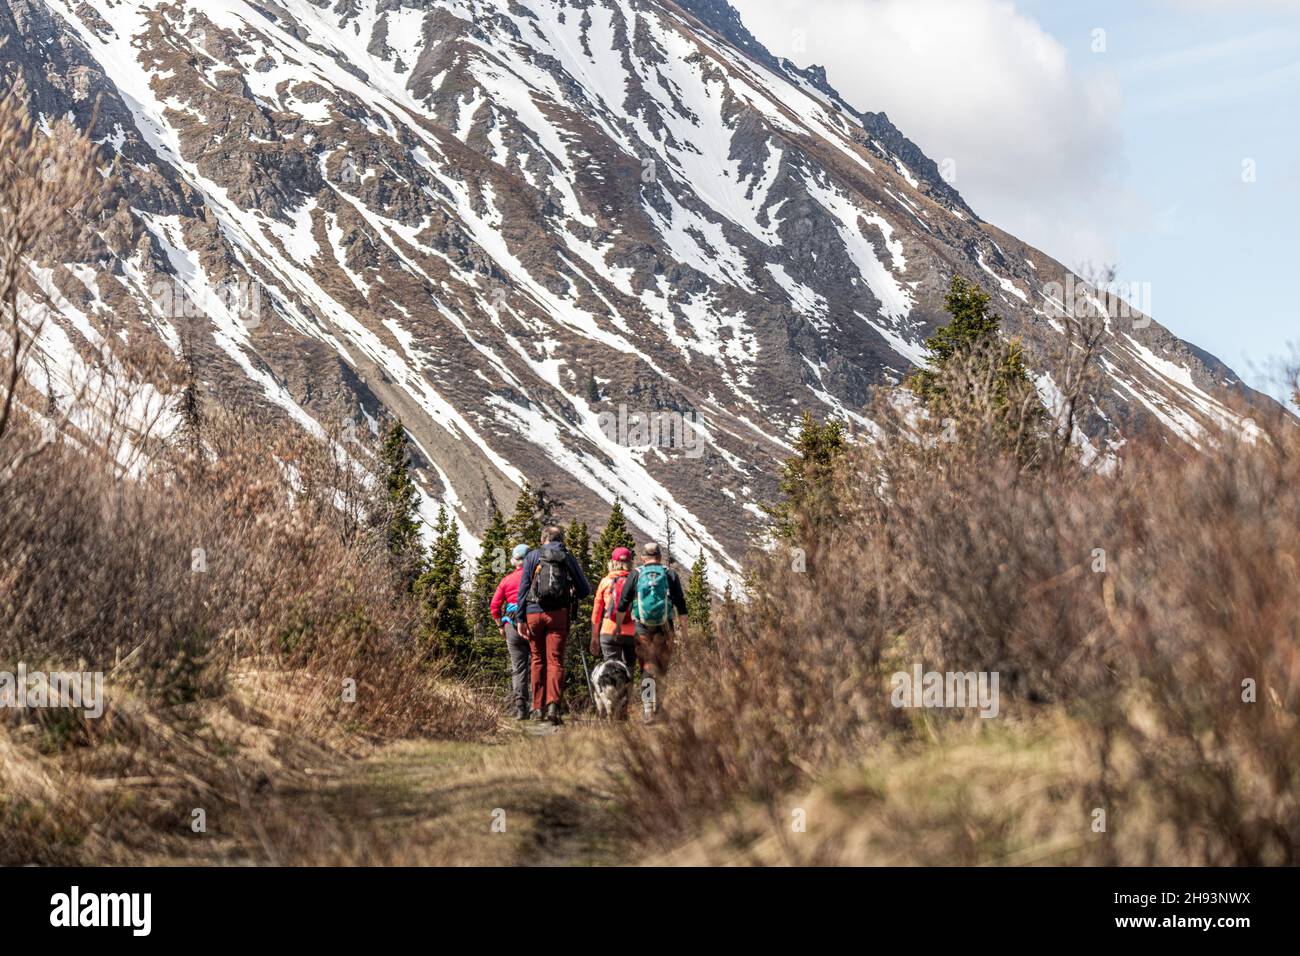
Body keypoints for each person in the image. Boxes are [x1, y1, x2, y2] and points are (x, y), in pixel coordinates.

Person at [517, 526, 591, 725]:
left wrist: (520, 618)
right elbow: (584, 590)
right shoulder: (566, 556)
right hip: (558, 614)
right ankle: (553, 706)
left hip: (533, 613)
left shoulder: (532, 556)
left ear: (543, 539)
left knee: (537, 659)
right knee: (555, 660)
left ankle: (537, 708)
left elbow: (523, 588)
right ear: (561, 540)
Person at [615, 541, 688, 721]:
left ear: (642, 557)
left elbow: (623, 602)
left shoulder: (636, 574)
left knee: (647, 666)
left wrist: (617, 626)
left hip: (641, 625)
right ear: (659, 557)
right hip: (665, 626)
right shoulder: (669, 574)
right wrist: (684, 632)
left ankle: (647, 710)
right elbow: (681, 604)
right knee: (662, 667)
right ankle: (660, 709)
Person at [591, 546, 636, 717]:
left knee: (610, 670)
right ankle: (624, 711)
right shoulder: (635, 580)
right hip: (632, 633)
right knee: (628, 672)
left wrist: (594, 637)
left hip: (609, 632)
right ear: (629, 563)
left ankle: (611, 709)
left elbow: (596, 613)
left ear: (613, 562)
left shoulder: (605, 582)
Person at [490, 544, 532, 720]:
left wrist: (501, 625)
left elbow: (494, 606)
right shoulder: (535, 576)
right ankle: (540, 706)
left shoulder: (506, 580)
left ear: (514, 561)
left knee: (519, 668)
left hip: (511, 626)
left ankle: (521, 708)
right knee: (538, 663)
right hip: (533, 622)